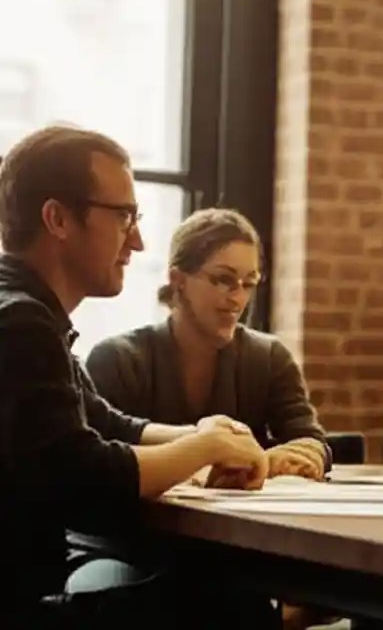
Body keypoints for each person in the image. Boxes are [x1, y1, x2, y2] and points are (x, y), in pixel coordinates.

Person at [0, 125, 275, 627]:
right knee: (235, 607)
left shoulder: (28, 313)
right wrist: (207, 449)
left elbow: (103, 422)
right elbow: (83, 477)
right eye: (124, 216)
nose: (140, 240)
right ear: (58, 218)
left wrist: (209, 433)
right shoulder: (20, 322)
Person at [87, 208, 328, 485]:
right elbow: (100, 465)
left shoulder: (270, 358)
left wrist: (294, 457)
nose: (238, 298)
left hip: (239, 527)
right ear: (178, 281)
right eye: (224, 280)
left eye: (249, 283)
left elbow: (311, 439)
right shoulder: (118, 360)